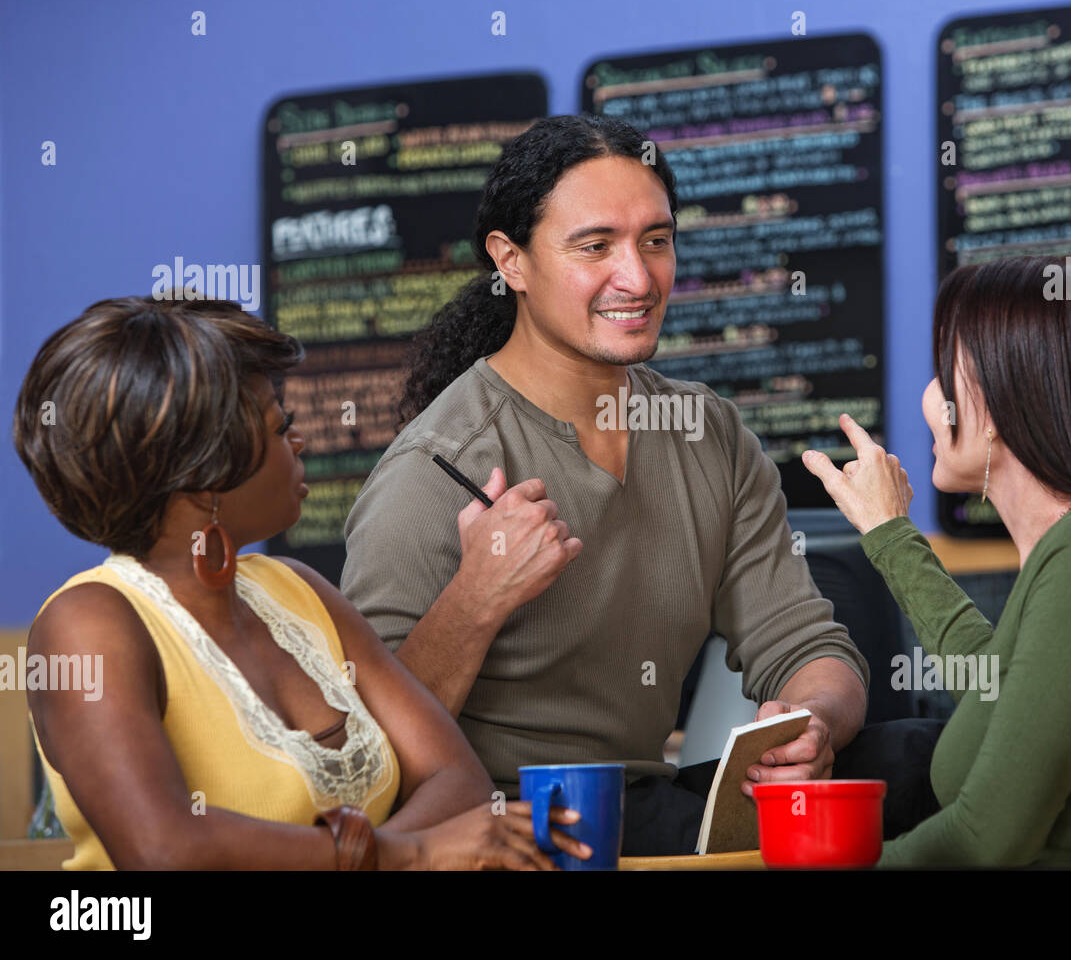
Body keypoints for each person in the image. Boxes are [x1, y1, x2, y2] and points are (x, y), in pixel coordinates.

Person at [341, 113, 940, 856]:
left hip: (640, 808)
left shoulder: (706, 434)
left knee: (932, 758)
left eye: (655, 241)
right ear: (511, 262)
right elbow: (367, 758)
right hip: (506, 832)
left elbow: (805, 643)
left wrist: (813, 722)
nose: (639, 276)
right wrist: (476, 599)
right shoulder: (432, 469)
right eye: (596, 246)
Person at [13, 296, 588, 870]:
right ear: (206, 475)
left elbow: (456, 780)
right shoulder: (86, 624)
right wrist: (412, 854)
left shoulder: (298, 590)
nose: (300, 440)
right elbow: (163, 849)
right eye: (279, 423)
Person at [801, 255, 1071, 866]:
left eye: (943, 372)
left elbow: (983, 838)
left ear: (1000, 401)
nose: (928, 396)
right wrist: (888, 530)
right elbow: (992, 689)